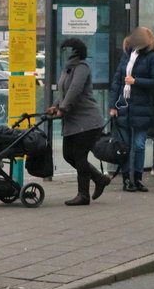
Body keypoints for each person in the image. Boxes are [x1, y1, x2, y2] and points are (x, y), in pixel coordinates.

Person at [47, 38, 112, 206]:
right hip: (73, 122)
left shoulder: (82, 67)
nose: (64, 53)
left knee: (79, 156)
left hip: (87, 121)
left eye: (67, 50)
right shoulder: (68, 68)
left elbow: (75, 89)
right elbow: (64, 92)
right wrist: (55, 106)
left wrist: (63, 108)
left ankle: (83, 194)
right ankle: (99, 178)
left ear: (76, 51)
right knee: (68, 155)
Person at [109, 27, 154, 191]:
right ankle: (126, 179)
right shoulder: (126, 57)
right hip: (124, 106)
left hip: (142, 108)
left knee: (139, 145)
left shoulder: (151, 58)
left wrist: (136, 81)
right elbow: (117, 82)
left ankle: (138, 178)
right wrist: (112, 105)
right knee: (125, 146)